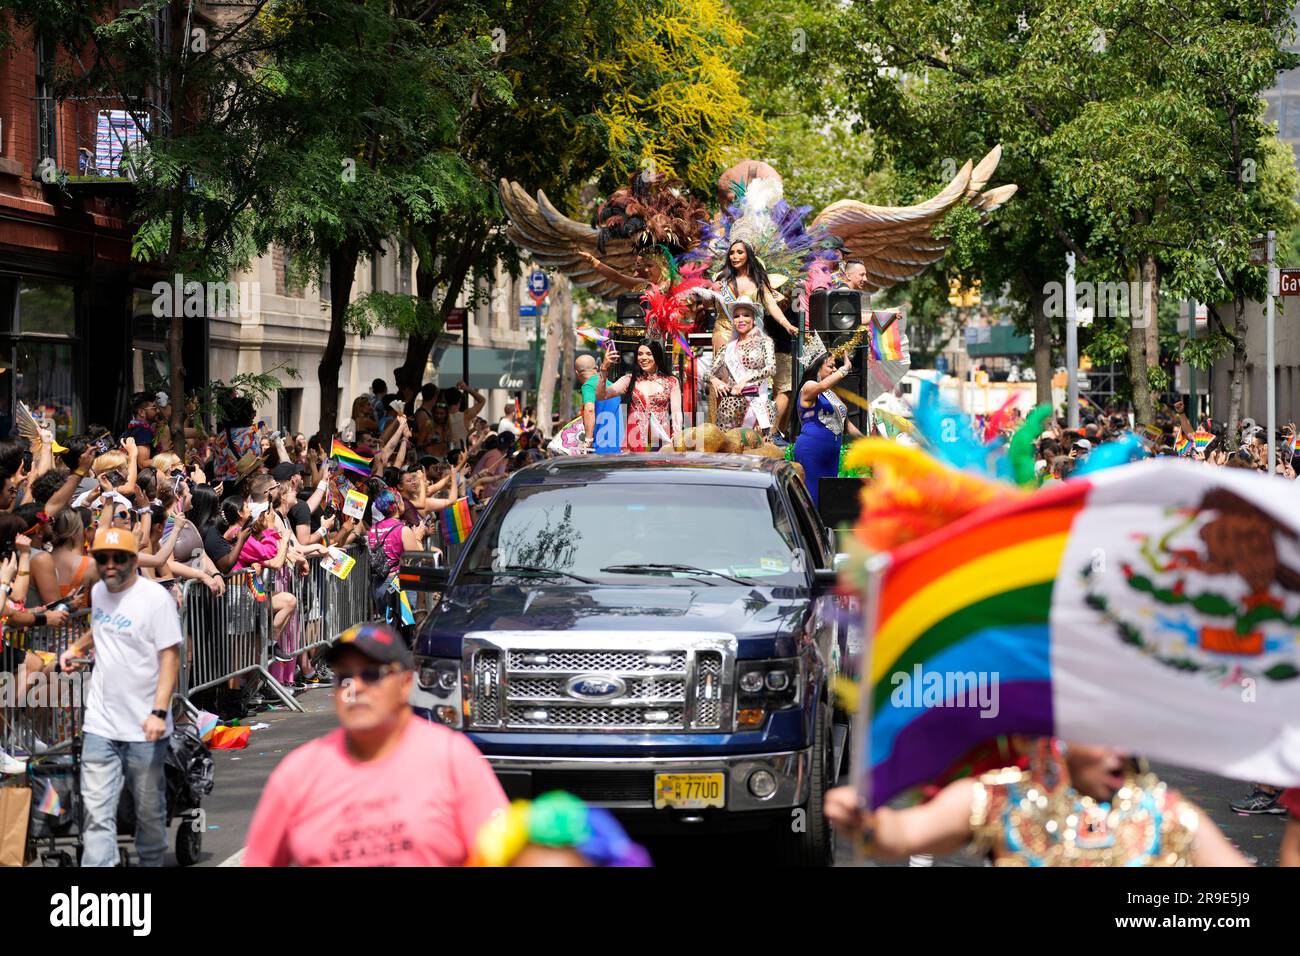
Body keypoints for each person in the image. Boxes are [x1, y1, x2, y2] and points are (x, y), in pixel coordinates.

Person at [243, 622, 507, 866]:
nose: (355, 687)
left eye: (372, 675)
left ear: (405, 684)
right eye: (344, 676)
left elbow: (503, 854)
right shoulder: (299, 773)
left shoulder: (452, 759)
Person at [824, 737, 1248, 866]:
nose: (1117, 752)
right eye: (1101, 738)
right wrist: (862, 821)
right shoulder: (1000, 798)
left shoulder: (1167, 815)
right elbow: (902, 834)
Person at [59, 526, 182, 867]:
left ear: (133, 560)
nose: (110, 565)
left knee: (147, 811)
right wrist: (75, 648)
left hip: (145, 728)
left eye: (119, 558)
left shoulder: (156, 599)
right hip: (101, 723)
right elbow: (101, 626)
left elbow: (170, 657)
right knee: (96, 814)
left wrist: (159, 712)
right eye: (102, 558)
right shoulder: (99, 592)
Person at [715, 240, 799, 436]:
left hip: (750, 337)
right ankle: (725, 432)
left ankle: (753, 433)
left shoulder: (758, 281)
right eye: (732, 253)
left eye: (739, 252)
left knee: (752, 386)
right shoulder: (722, 280)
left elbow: (772, 306)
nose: (734, 256)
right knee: (724, 385)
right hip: (725, 333)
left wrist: (787, 325)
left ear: (748, 256)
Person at [792, 349, 863, 509]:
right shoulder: (809, 386)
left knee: (827, 502)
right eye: (830, 366)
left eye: (836, 367)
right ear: (817, 367)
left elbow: (847, 424)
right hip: (812, 451)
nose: (834, 370)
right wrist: (845, 369)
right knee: (812, 499)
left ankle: (822, 533)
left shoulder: (830, 394)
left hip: (831, 454)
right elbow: (823, 385)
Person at [595, 339, 682, 452]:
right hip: (634, 442)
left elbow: (676, 413)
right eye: (640, 354)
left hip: (662, 442)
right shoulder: (629, 380)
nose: (643, 358)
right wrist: (604, 368)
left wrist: (677, 437)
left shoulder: (671, 381)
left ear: (657, 356)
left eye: (649, 354)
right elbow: (601, 396)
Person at [709, 297, 776, 435]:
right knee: (728, 449)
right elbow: (709, 372)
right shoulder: (728, 347)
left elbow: (771, 368)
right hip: (730, 407)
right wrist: (714, 380)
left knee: (760, 450)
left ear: (754, 318)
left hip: (759, 404)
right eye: (736, 316)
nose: (741, 319)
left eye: (746, 315)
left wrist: (746, 380)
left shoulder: (765, 342)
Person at [576, 354, 599, 453]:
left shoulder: (588, 386)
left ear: (577, 373)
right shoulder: (610, 383)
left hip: (600, 441)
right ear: (596, 369)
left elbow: (589, 409)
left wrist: (588, 440)